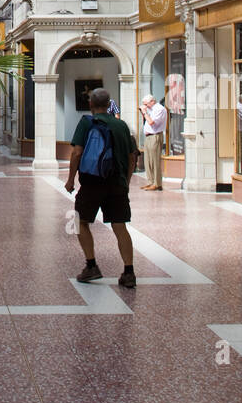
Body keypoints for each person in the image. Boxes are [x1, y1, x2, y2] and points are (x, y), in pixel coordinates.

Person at [65, 87, 138, 289]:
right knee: (120, 225)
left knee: (80, 221)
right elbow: (133, 156)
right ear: (108, 105)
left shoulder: (87, 123)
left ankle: (91, 266)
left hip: (92, 183)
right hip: (117, 184)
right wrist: (127, 180)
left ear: (91, 104)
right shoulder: (122, 125)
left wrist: (71, 179)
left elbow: (77, 153)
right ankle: (129, 272)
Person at [140, 93, 167, 190]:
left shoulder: (159, 109)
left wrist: (144, 112)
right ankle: (151, 181)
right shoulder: (151, 109)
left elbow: (151, 122)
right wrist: (144, 112)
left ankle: (157, 183)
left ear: (152, 101)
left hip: (155, 136)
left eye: (146, 104)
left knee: (155, 160)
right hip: (148, 137)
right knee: (148, 160)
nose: (145, 106)